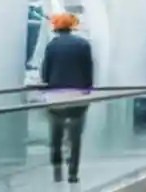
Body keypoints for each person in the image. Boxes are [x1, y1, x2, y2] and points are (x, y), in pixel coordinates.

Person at [40, 12, 94, 184]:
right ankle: (73, 173)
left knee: (56, 134)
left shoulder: (51, 46)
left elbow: (45, 73)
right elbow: (88, 71)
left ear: (56, 27)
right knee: (75, 136)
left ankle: (57, 171)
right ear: (72, 26)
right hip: (77, 95)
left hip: (56, 96)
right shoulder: (83, 45)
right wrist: (87, 90)